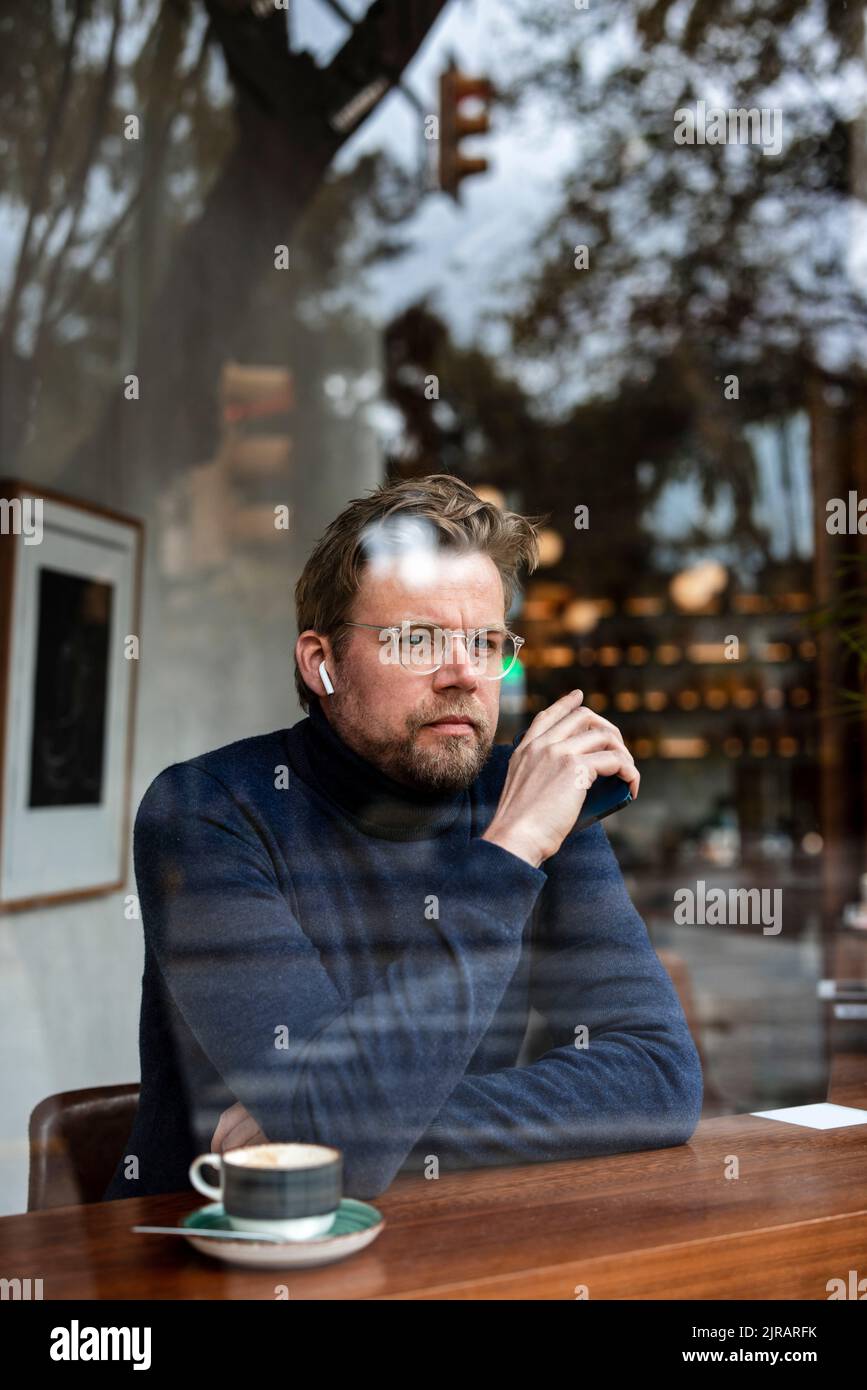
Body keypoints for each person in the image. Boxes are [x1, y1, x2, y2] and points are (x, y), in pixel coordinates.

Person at [103, 474, 702, 1202]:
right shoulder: (205, 813)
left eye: (485, 642)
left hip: (447, 1233)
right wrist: (510, 851)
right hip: (222, 1240)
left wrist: (345, 1127)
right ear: (321, 663)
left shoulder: (531, 796)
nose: (464, 675)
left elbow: (659, 1078)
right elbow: (335, 1139)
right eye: (417, 640)